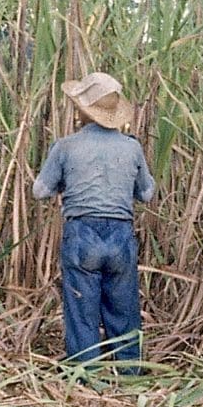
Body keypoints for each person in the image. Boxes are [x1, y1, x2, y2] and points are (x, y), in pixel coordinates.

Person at [32, 71, 156, 371]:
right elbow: (147, 193)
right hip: (121, 235)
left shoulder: (65, 146)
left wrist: (68, 182)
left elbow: (40, 191)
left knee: (81, 308)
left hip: (81, 234)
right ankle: (128, 371)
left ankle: (85, 374)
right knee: (124, 306)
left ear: (81, 109)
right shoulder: (131, 147)